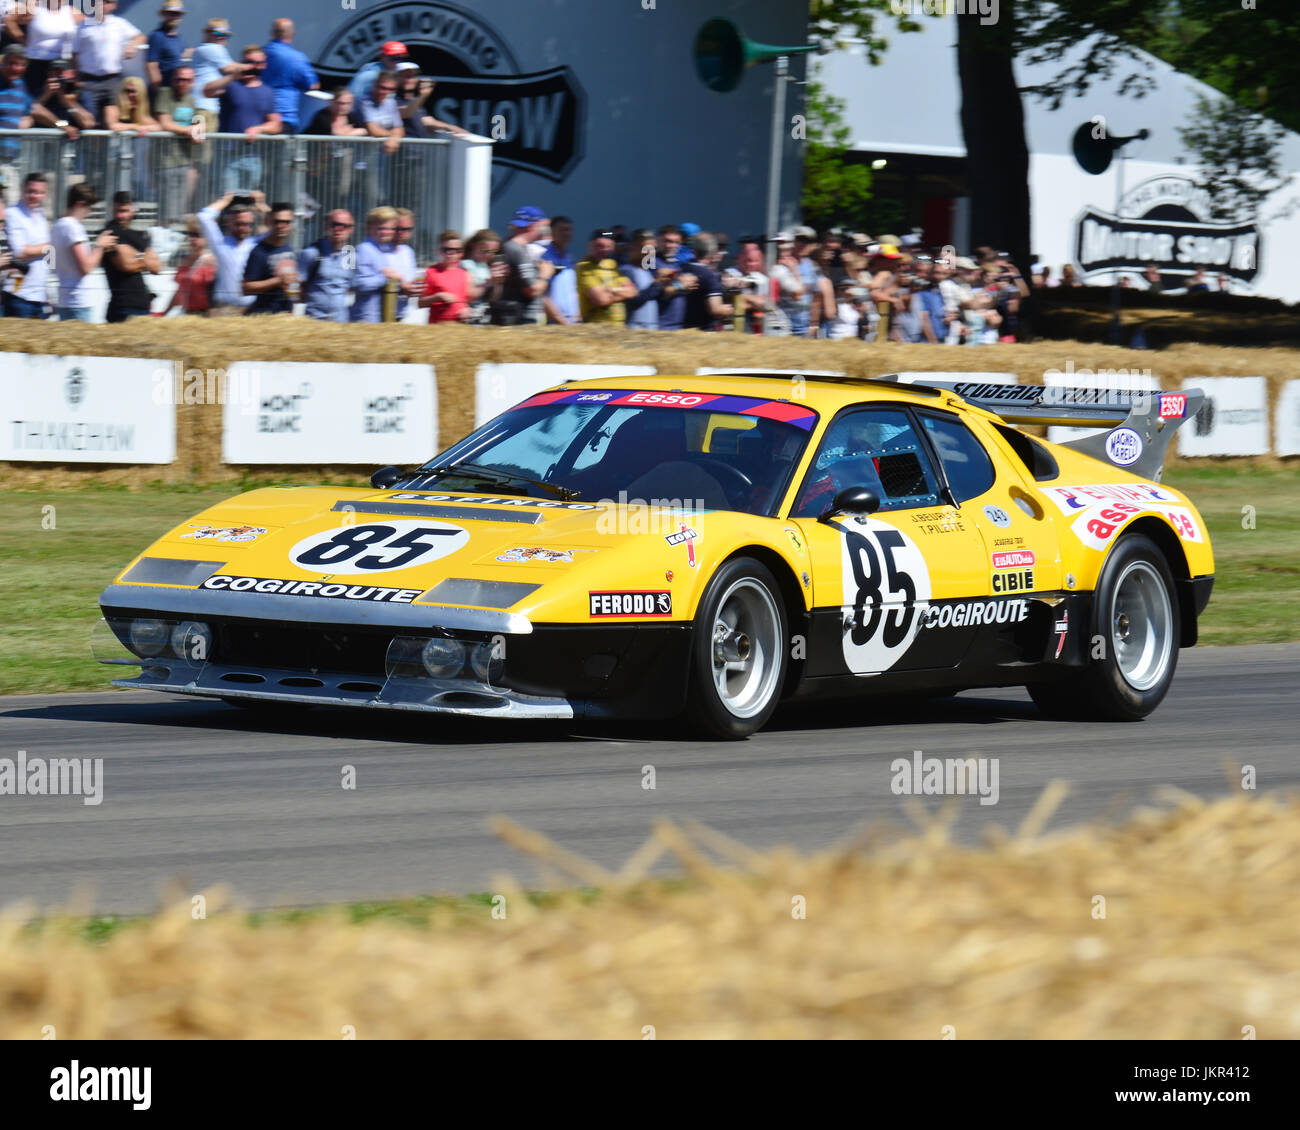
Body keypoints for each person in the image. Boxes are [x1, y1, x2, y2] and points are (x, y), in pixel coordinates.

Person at [205, 44, 280, 194]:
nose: (253, 66)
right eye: (249, 62)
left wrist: (259, 128)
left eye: (257, 63)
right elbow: (207, 91)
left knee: (247, 203)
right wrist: (233, 75)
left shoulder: (268, 91)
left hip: (252, 156)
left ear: (264, 65)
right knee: (227, 200)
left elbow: (276, 125)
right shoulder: (231, 85)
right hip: (226, 154)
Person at [72, 0, 144, 126]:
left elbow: (140, 37)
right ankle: (89, 146)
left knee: (112, 122)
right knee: (89, 122)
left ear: (114, 5)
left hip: (112, 80)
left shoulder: (119, 24)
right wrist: (77, 77)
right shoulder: (82, 26)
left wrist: (131, 45)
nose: (102, 5)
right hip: (89, 81)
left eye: (107, 2)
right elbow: (74, 53)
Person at [52, 182, 115, 320]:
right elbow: (86, 267)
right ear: (80, 204)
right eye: (89, 208)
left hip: (64, 300)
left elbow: (51, 261)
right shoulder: (73, 227)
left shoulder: (56, 226)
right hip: (78, 303)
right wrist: (100, 245)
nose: (89, 213)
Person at [196, 188, 265, 312]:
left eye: (246, 224)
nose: (243, 228)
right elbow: (204, 216)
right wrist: (225, 201)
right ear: (228, 223)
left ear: (252, 222)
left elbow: (276, 228)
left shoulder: (256, 243)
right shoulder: (220, 243)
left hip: (252, 310)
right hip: (224, 308)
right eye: (238, 224)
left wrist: (261, 204)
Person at [100, 190, 160, 322]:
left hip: (143, 306)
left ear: (133, 210)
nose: (120, 215)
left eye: (124, 211)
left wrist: (134, 255)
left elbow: (157, 267)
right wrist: (144, 258)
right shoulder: (109, 232)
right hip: (121, 307)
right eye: (117, 211)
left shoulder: (138, 235)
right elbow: (125, 264)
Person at [153, 64, 200, 224]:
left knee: (180, 210)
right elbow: (165, 123)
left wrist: (197, 132)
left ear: (193, 82)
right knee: (167, 211)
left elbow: (197, 126)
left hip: (185, 160)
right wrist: (189, 130)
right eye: (179, 79)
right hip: (166, 161)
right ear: (173, 80)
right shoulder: (165, 94)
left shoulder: (191, 99)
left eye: (187, 80)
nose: (182, 83)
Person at [4, 170, 51, 318]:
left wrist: (47, 294)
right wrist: (49, 246)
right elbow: (20, 251)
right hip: (19, 294)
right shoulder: (13, 214)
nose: (35, 196)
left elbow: (48, 259)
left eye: (39, 192)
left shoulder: (41, 219)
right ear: (22, 190)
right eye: (31, 191)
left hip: (40, 296)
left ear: (45, 194)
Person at [298, 208, 356, 322]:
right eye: (334, 225)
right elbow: (299, 286)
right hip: (314, 319)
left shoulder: (351, 255)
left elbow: (351, 286)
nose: (339, 229)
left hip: (341, 320)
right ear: (326, 227)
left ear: (351, 230)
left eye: (344, 226)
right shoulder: (311, 253)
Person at [495, 204, 548, 325]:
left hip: (517, 317)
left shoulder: (509, 246)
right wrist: (545, 274)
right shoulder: (516, 249)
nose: (543, 230)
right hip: (522, 319)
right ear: (533, 225)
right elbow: (531, 290)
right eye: (542, 226)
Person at [262, 18, 316, 134]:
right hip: (285, 118)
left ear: (272, 32)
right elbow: (312, 84)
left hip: (261, 118)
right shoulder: (298, 58)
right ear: (292, 34)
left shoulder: (260, 54)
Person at [242, 200, 297, 314]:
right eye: (278, 221)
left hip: (286, 316)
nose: (282, 226)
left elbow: (293, 285)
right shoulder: (259, 252)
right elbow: (246, 288)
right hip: (265, 316)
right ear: (270, 222)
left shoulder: (290, 250)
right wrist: (278, 281)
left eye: (286, 222)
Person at [351, 205, 401, 322]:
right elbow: (358, 283)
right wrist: (385, 277)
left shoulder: (381, 249)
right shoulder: (364, 249)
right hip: (365, 317)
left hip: (379, 316)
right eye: (382, 228)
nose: (387, 232)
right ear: (369, 228)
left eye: (391, 229)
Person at [576, 228, 636, 325]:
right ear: (589, 246)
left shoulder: (611, 264)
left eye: (608, 247)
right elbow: (601, 299)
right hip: (597, 326)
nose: (604, 250)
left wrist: (609, 290)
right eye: (599, 246)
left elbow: (632, 291)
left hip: (619, 326)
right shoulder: (584, 267)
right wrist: (621, 292)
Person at [23, 0, 81, 97]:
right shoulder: (35, 8)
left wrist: (75, 67)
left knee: (61, 102)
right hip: (37, 64)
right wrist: (23, 41)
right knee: (35, 98)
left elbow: (87, 28)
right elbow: (9, 20)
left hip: (62, 64)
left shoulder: (72, 11)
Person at [161, 217, 215, 315]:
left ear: (206, 238)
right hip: (187, 313)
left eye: (197, 235)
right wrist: (164, 313)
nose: (192, 239)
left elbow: (214, 295)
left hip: (205, 314)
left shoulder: (211, 262)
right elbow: (179, 293)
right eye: (190, 235)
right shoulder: (184, 260)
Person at [395, 66, 466, 137]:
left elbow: (426, 120)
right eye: (406, 76)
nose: (410, 80)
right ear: (396, 78)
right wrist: (423, 95)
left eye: (413, 76)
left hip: (417, 146)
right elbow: (405, 112)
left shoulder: (414, 100)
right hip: (400, 146)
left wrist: (451, 128)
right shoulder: (391, 98)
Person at [681, 232, 731, 331]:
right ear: (713, 252)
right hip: (704, 332)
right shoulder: (709, 275)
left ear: (693, 250)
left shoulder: (683, 268)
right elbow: (715, 310)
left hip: (684, 329)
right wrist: (729, 309)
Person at [33, 58, 94, 139]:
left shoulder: (79, 93)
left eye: (60, 74)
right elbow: (32, 110)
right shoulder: (42, 92)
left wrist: (67, 102)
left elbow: (88, 123)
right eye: (53, 74)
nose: (57, 78)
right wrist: (45, 96)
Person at [419, 229, 471, 323]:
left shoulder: (464, 273)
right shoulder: (432, 272)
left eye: (457, 251)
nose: (452, 254)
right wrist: (437, 297)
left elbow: (465, 302)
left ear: (461, 253)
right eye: (447, 250)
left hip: (459, 328)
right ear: (439, 251)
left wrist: (467, 311)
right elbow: (421, 303)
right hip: (438, 328)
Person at [191, 17, 236, 119]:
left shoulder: (201, 49)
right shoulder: (214, 48)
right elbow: (232, 69)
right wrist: (253, 67)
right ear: (207, 34)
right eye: (218, 34)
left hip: (205, 107)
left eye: (225, 35)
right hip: (204, 109)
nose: (221, 37)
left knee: (200, 135)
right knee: (200, 135)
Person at [541, 214, 578, 324]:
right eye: (562, 230)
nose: (566, 233)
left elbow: (573, 291)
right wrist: (562, 321)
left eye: (569, 230)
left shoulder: (570, 258)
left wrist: (578, 319)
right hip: (556, 324)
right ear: (551, 232)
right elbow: (543, 296)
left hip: (572, 323)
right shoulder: (545, 257)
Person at [359, 68, 403, 155]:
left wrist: (394, 137)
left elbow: (399, 128)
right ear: (375, 85)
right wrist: (393, 136)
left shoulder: (391, 102)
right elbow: (373, 130)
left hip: (381, 157)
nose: (386, 92)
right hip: (361, 155)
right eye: (383, 87)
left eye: (391, 89)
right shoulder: (364, 101)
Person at [145, 3, 186, 96]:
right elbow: (152, 66)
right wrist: (160, 93)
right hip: (164, 91)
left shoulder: (178, 37)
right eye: (170, 13)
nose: (173, 17)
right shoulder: (157, 36)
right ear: (163, 15)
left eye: (177, 14)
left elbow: (181, 55)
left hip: (175, 91)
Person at [462, 227, 501, 325]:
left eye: (494, 251)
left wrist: (498, 282)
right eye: (486, 250)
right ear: (473, 245)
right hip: (470, 317)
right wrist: (490, 281)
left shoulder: (486, 266)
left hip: (485, 317)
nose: (490, 254)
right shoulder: (466, 265)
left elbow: (494, 298)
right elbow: (469, 295)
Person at [391, 206, 420, 318]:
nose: (402, 233)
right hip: (381, 313)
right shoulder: (381, 250)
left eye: (407, 229)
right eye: (398, 228)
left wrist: (414, 289)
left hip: (401, 313)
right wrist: (401, 288)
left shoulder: (408, 252)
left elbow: (411, 281)